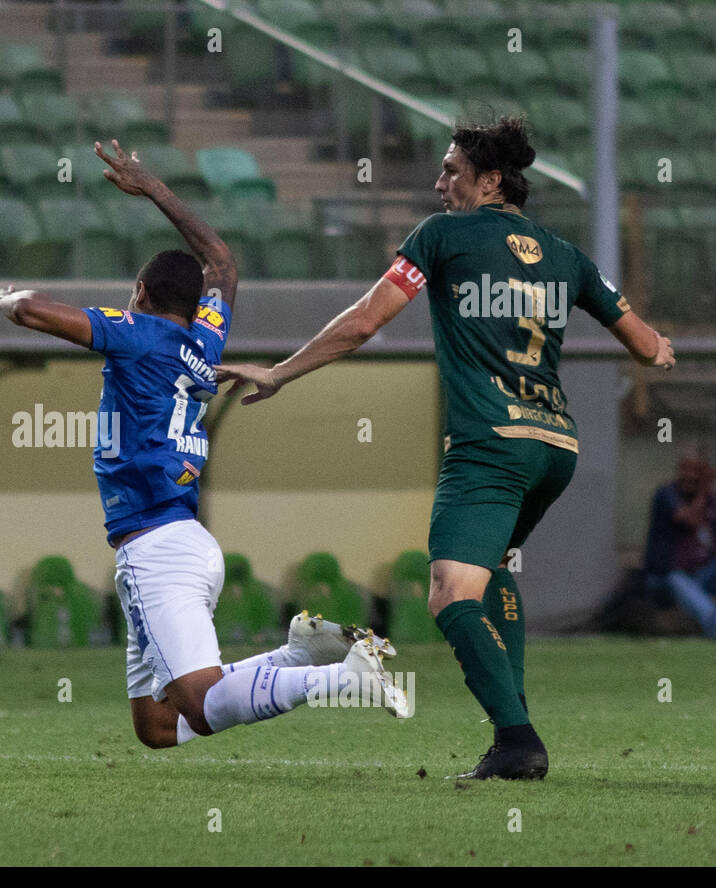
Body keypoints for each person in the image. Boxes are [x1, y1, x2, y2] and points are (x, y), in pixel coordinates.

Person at [215, 116, 675, 780]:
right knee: (491, 573)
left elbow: (367, 319)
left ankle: (517, 740)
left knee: (448, 594)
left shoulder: (442, 237)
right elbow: (643, 342)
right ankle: (511, 726)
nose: (439, 184)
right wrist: (661, 348)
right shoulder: (566, 255)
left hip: (489, 443)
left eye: (452, 171)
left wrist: (279, 371)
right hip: (554, 446)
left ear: (491, 182)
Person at [0, 139, 405, 751]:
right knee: (158, 727)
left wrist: (10, 298)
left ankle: (341, 678)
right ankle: (296, 655)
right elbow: (224, 263)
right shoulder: (204, 340)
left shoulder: (136, 334)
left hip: (156, 548)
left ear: (142, 294)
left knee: (202, 709)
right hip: (182, 542)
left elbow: (35, 311)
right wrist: (152, 187)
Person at [644, 451, 716, 636]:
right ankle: (713, 624)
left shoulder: (710, 501)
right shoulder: (667, 494)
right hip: (665, 576)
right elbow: (689, 519)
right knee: (677, 579)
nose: (689, 475)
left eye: (695, 470)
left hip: (699, 574)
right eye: (685, 469)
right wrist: (705, 488)